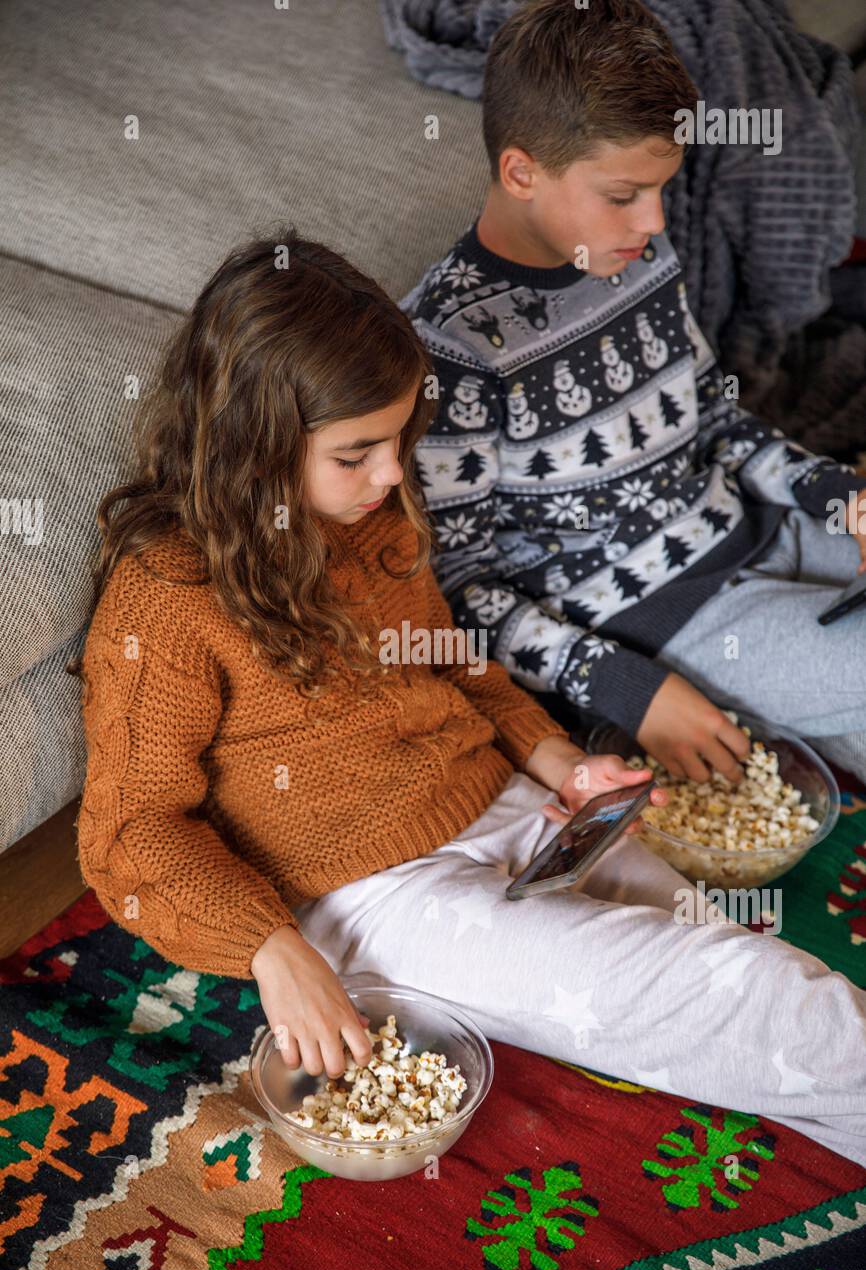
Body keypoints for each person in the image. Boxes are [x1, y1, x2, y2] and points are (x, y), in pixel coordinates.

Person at [73, 229, 866, 1167]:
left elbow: (455, 661)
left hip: (507, 804)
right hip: (378, 894)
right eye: (358, 452)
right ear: (252, 443)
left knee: (742, 978)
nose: (394, 475)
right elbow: (129, 832)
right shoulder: (167, 594)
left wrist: (561, 762)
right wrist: (271, 951)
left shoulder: (370, 519)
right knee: (756, 995)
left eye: (399, 439)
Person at [401, 0, 866, 786]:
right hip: (664, 624)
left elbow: (711, 418)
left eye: (661, 190)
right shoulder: (450, 352)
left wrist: (836, 495)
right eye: (624, 195)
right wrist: (629, 691)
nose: (653, 221)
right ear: (521, 172)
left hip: (755, 525)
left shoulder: (640, 258)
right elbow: (454, 590)